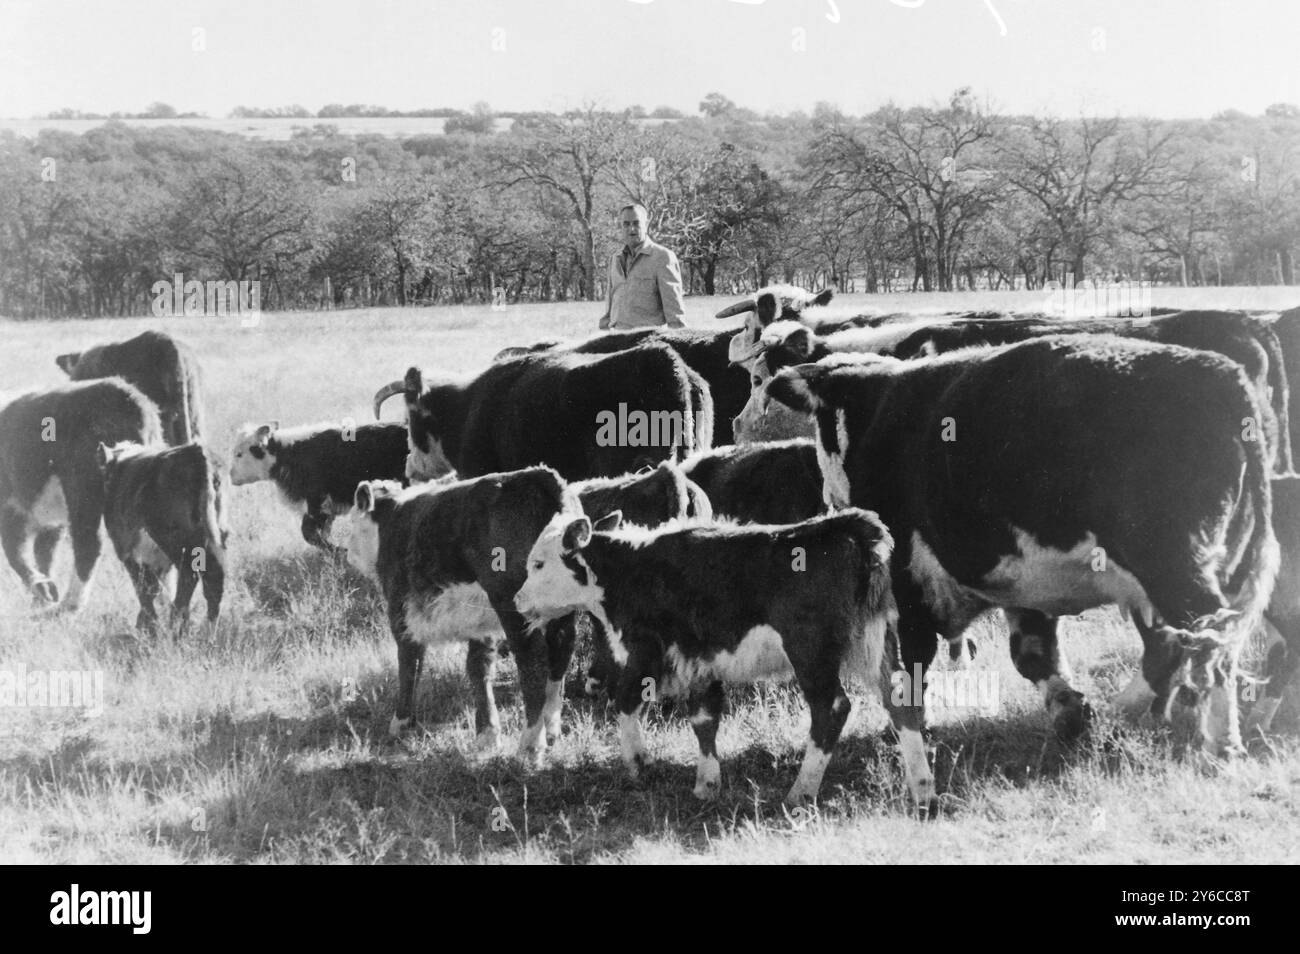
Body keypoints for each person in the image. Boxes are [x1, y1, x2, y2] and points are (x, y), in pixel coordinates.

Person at [598, 203, 687, 330]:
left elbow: (675, 313)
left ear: (646, 224)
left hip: (649, 342)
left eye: (636, 223)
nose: (631, 229)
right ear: (620, 226)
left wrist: (680, 343)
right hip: (617, 339)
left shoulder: (663, 257)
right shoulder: (615, 259)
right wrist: (604, 330)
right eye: (626, 224)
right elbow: (611, 302)